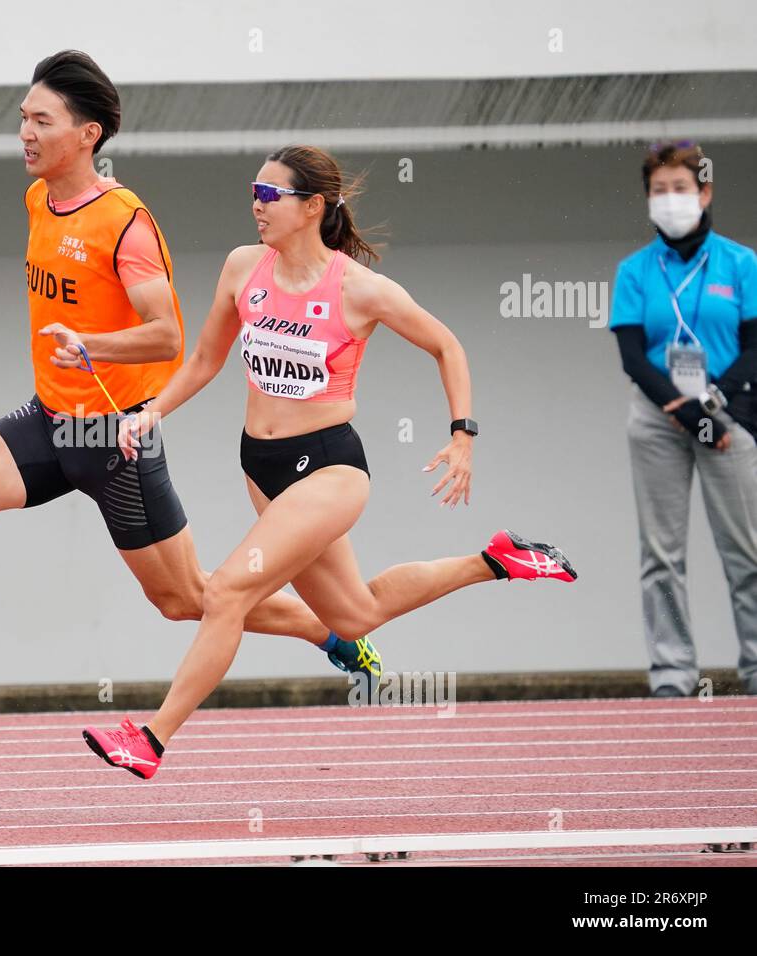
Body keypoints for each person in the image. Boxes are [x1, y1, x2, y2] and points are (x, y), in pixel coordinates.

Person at [0, 54, 381, 739]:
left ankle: (329, 632)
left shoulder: (126, 224)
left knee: (186, 598)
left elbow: (168, 337)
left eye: (41, 120)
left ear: (88, 134)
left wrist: (91, 345)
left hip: (114, 439)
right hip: (51, 422)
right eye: (23, 118)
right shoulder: (37, 198)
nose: (25, 132)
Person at [83, 145, 577, 778]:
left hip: (329, 469)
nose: (255, 206)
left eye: (268, 196)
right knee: (354, 614)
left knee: (227, 591)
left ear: (311, 206)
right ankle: (496, 560)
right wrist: (152, 412)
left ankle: (150, 739)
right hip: (260, 464)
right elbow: (205, 360)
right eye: (252, 193)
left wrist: (463, 435)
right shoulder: (242, 268)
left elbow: (446, 345)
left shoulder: (359, 289)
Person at [608, 140, 757, 698]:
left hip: (729, 418)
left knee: (746, 550)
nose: (670, 199)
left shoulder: (741, 263)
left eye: (680, 188)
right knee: (661, 555)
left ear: (705, 191)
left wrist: (713, 409)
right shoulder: (635, 270)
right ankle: (672, 674)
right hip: (657, 419)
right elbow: (631, 354)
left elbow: (753, 347)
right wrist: (683, 408)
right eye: (659, 190)